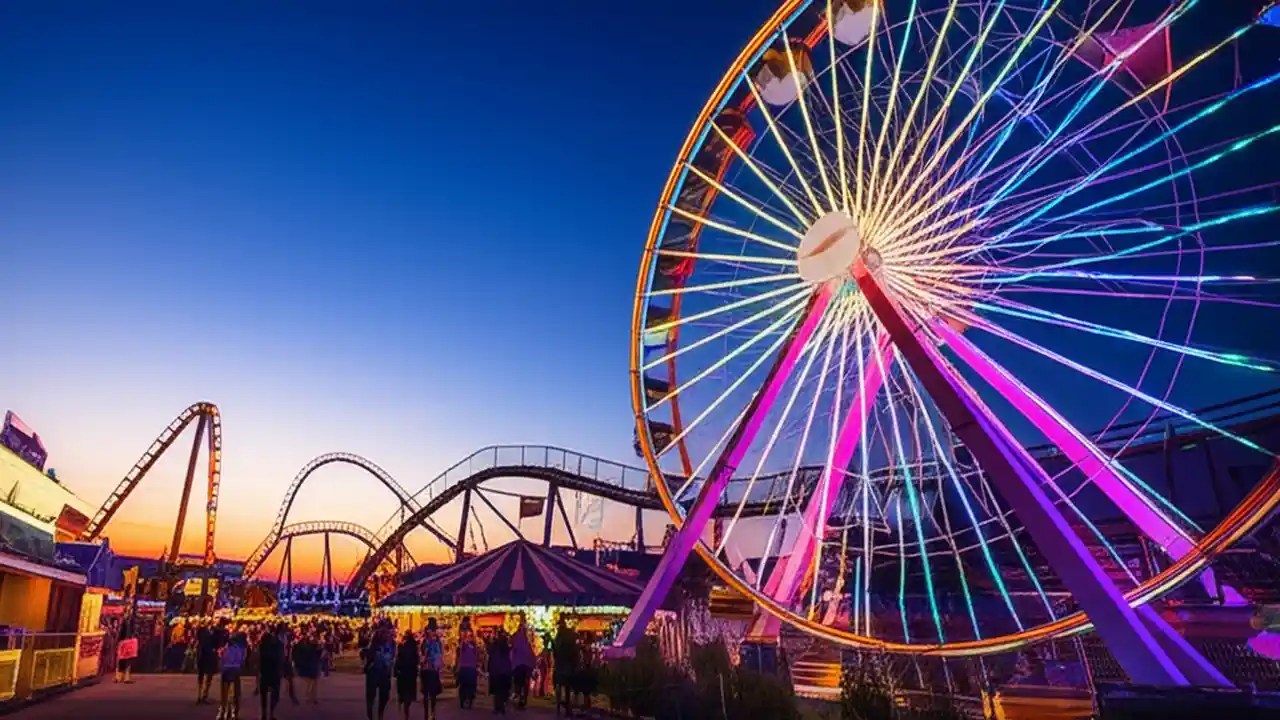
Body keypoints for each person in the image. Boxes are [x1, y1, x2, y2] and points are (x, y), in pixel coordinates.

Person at [362, 623, 396, 720]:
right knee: (371, 695)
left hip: (385, 672)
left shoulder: (392, 643)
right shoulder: (375, 643)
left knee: (384, 695)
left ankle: (379, 712)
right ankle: (371, 714)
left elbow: (392, 656)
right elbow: (367, 653)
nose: (387, 634)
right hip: (374, 671)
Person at [257, 625, 286, 720]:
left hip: (265, 671)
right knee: (275, 694)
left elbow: (259, 659)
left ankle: (264, 713)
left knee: (264, 694)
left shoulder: (263, 644)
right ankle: (271, 712)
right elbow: (281, 658)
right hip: (275, 672)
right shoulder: (279, 644)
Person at [218, 632, 248, 720]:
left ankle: (223, 711)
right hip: (235, 670)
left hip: (226, 670)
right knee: (235, 693)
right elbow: (242, 660)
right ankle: (234, 712)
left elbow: (222, 659)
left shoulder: (226, 648)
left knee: (225, 693)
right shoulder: (240, 649)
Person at [197, 619, 228, 703]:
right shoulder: (218, 632)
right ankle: (204, 694)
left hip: (203, 654)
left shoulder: (202, 630)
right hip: (209, 655)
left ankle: (201, 694)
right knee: (208, 675)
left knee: (202, 675)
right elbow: (220, 644)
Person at [419, 619, 445, 720]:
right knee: (429, 693)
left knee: (430, 693)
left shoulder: (433, 642)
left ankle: (431, 713)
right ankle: (429, 714)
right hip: (430, 668)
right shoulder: (428, 642)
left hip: (430, 669)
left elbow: (439, 654)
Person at [552, 619, 578, 715]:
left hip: (560, 665)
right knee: (567, 687)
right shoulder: (568, 639)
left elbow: (555, 652)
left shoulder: (558, 639)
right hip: (567, 666)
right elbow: (574, 653)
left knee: (559, 685)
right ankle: (567, 706)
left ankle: (559, 706)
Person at [510, 619, 535, 709]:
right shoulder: (525, 640)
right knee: (524, 683)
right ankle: (522, 699)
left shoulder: (516, 637)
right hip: (524, 665)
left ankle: (519, 698)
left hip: (518, 665)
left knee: (518, 684)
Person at [292, 630, 323, 704]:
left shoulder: (312, 647)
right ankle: (309, 697)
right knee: (311, 682)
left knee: (313, 683)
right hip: (312, 666)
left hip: (313, 665)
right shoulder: (311, 648)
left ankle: (312, 697)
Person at [394, 630, 419, 720]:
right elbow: (417, 660)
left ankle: (404, 707)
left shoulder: (401, 646)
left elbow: (398, 659)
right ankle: (406, 708)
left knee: (403, 691)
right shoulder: (414, 647)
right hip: (411, 673)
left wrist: (395, 671)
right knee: (409, 691)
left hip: (403, 672)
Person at [488, 629, 513, 715]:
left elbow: (490, 652)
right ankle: (501, 706)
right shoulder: (506, 646)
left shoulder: (495, 645)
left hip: (496, 671)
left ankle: (498, 707)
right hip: (504, 671)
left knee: (497, 691)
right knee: (503, 690)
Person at [455, 628, 479, 710]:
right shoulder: (464, 645)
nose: (469, 637)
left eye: (471, 636)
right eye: (468, 636)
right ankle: (463, 699)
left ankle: (469, 699)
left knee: (470, 686)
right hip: (465, 668)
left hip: (471, 668)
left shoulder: (474, 646)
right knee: (464, 685)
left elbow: (476, 656)